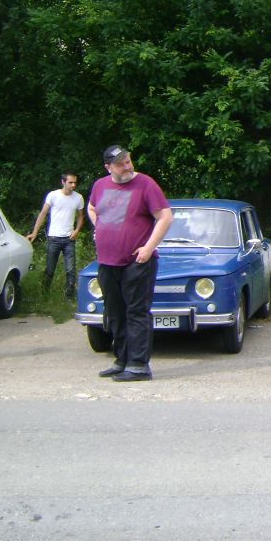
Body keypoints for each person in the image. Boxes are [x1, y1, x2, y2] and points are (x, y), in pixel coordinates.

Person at [88, 145, 172, 382]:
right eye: (120, 163)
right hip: (107, 261)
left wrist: (149, 247)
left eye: (128, 161)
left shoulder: (145, 184)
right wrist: (99, 227)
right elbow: (92, 207)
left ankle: (138, 365)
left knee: (136, 312)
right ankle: (122, 360)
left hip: (137, 261)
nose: (127, 166)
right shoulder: (100, 185)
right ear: (108, 167)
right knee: (115, 313)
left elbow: (165, 216)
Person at [27, 172, 85, 298]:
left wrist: (77, 230)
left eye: (75, 182)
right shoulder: (53, 195)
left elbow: (81, 216)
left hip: (69, 238)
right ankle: (44, 294)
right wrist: (35, 232)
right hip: (54, 238)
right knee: (50, 268)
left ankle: (69, 297)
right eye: (70, 182)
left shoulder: (78, 197)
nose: (73, 185)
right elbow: (43, 214)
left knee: (70, 269)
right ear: (63, 182)